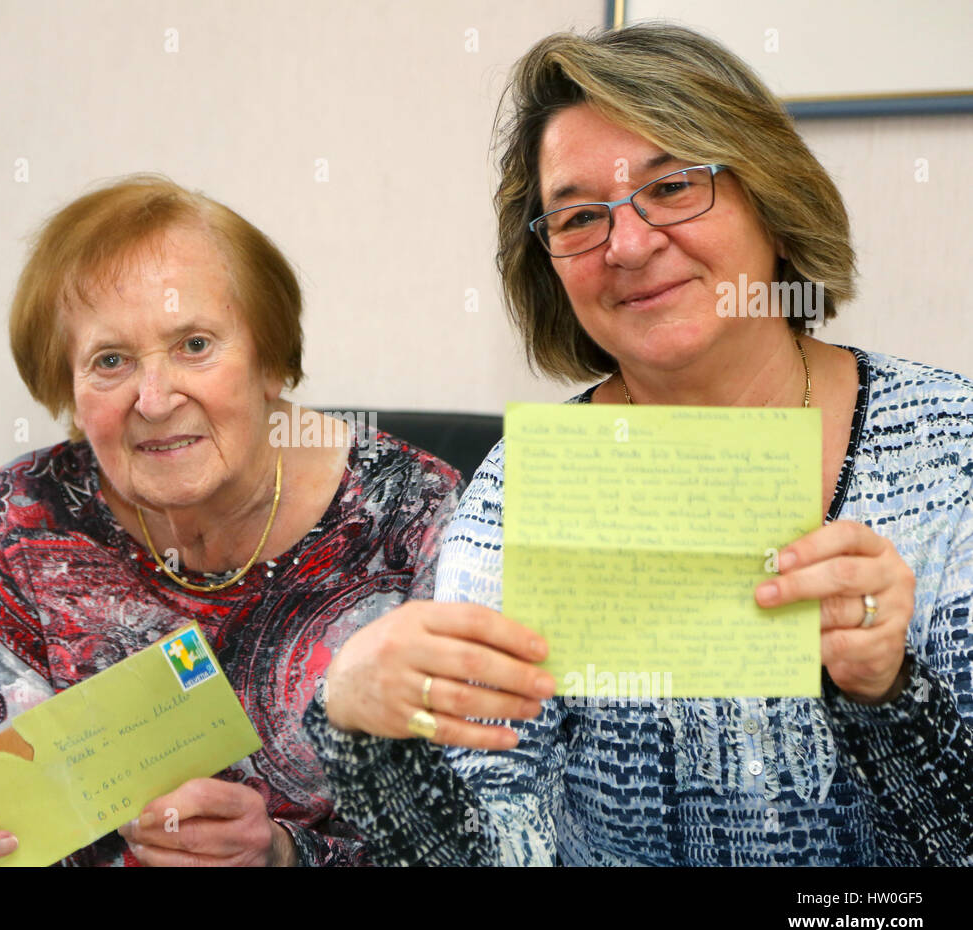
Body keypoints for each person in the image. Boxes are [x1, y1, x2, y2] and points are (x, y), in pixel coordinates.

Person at [305, 23, 973, 865]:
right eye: (581, 216)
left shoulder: (952, 452)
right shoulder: (525, 492)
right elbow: (487, 850)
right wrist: (359, 728)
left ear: (767, 193)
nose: (629, 244)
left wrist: (887, 693)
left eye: (672, 187)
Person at [0, 175, 470, 866]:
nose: (153, 400)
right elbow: (29, 827)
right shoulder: (27, 521)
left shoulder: (416, 515)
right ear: (66, 383)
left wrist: (283, 857)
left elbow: (473, 845)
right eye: (111, 360)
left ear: (271, 360)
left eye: (193, 345)